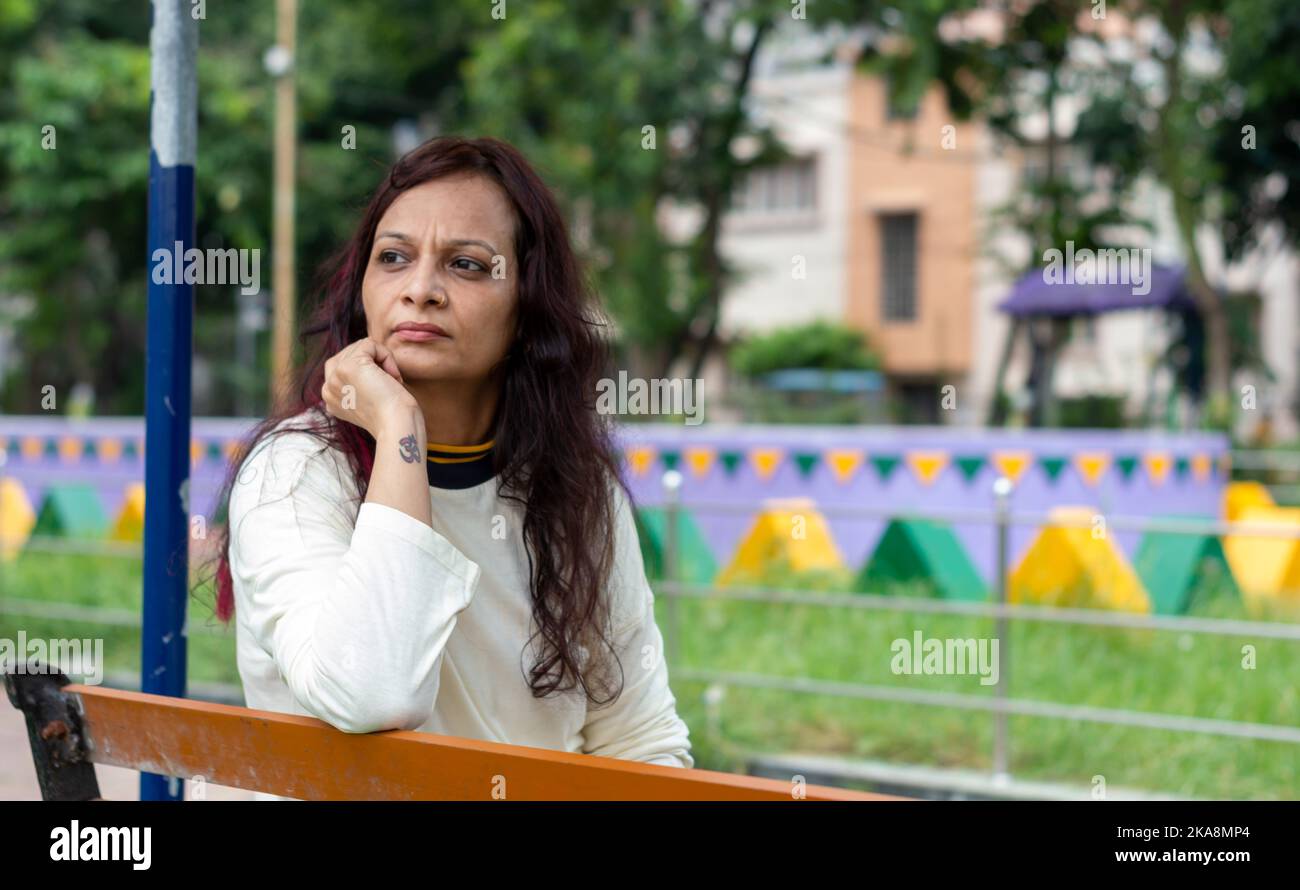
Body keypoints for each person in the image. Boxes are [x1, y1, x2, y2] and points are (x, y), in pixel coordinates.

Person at [205, 135, 693, 799]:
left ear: (527, 306)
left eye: (466, 265)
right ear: (362, 291)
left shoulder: (579, 493)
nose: (420, 290)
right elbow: (370, 692)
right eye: (394, 258)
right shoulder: (294, 470)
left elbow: (639, 742)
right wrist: (400, 429)